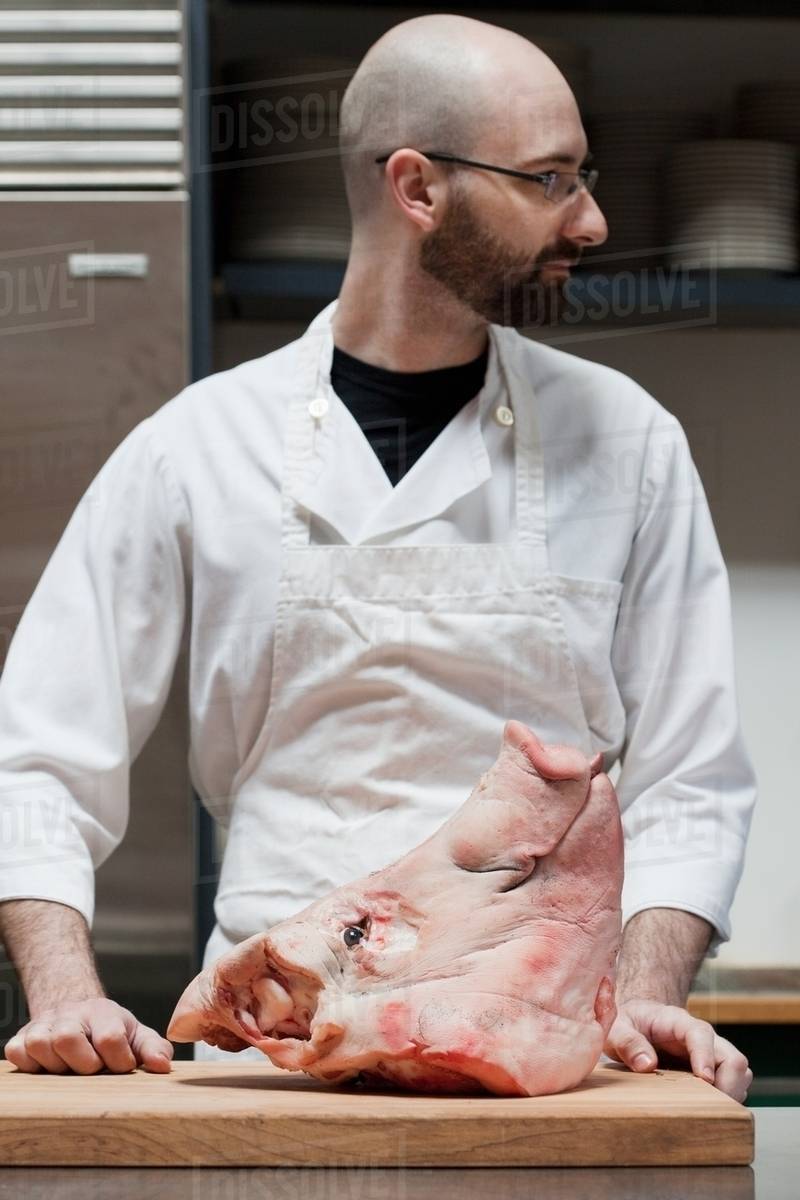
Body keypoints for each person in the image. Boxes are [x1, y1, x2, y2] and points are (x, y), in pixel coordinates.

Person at [0, 14, 755, 1102]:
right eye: (547, 180)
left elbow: (692, 778)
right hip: (270, 1056)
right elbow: (39, 758)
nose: (590, 219)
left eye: (580, 175)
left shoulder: (630, 443)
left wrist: (642, 991)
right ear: (416, 189)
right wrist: (64, 994)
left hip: (538, 1066)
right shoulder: (192, 450)